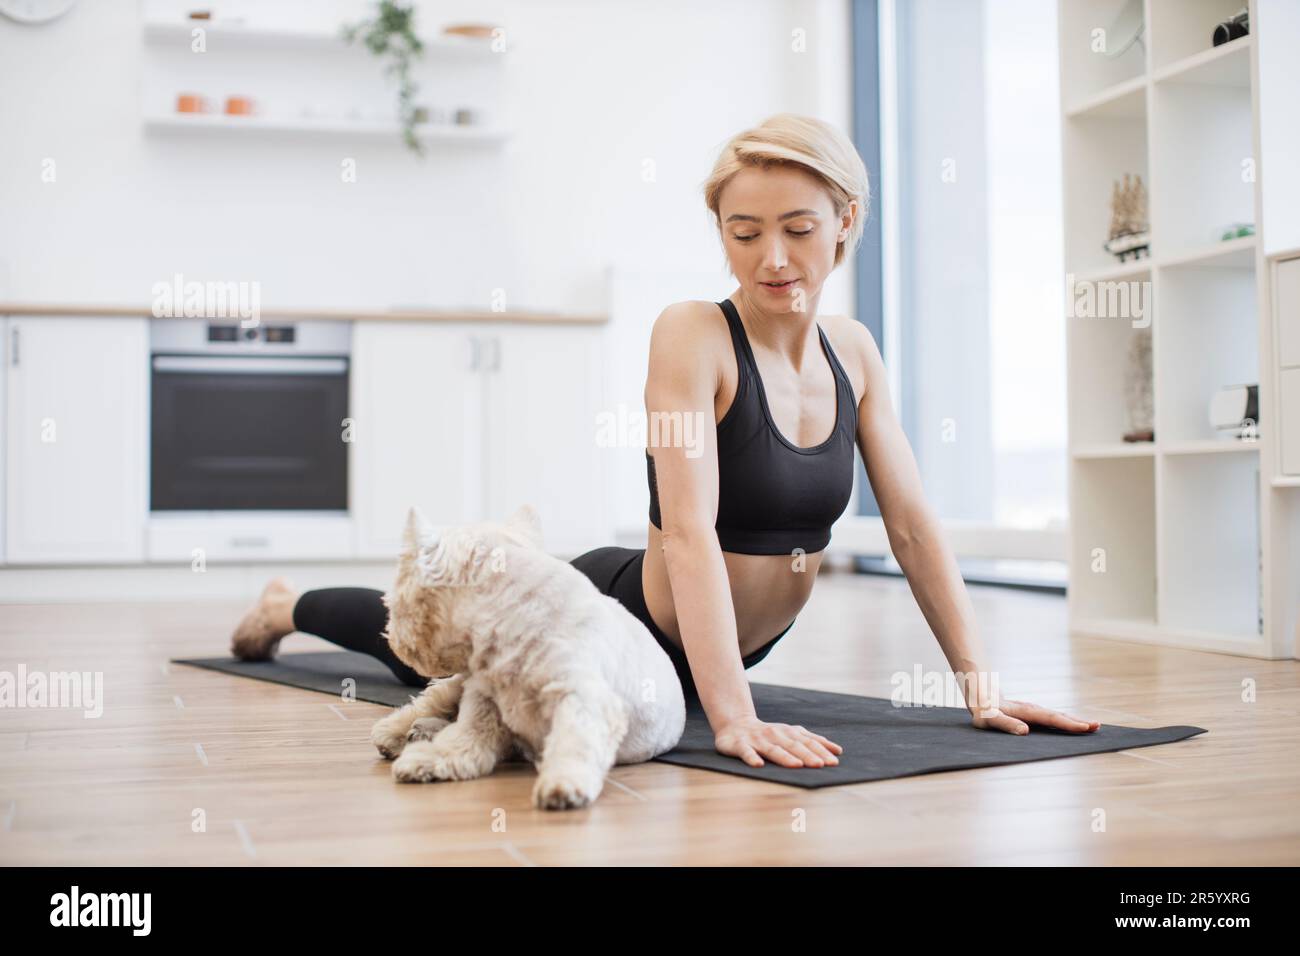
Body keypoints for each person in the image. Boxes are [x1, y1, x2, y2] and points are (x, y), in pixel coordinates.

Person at [231, 113, 1099, 771]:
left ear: (846, 219)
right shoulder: (691, 335)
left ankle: (293, 605)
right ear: (719, 230)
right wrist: (732, 717)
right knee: (425, 654)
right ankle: (285, 608)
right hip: (619, 613)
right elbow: (690, 531)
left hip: (725, 647)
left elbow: (911, 529)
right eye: (743, 232)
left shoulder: (857, 352)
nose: (772, 258)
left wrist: (981, 690)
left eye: (798, 228)